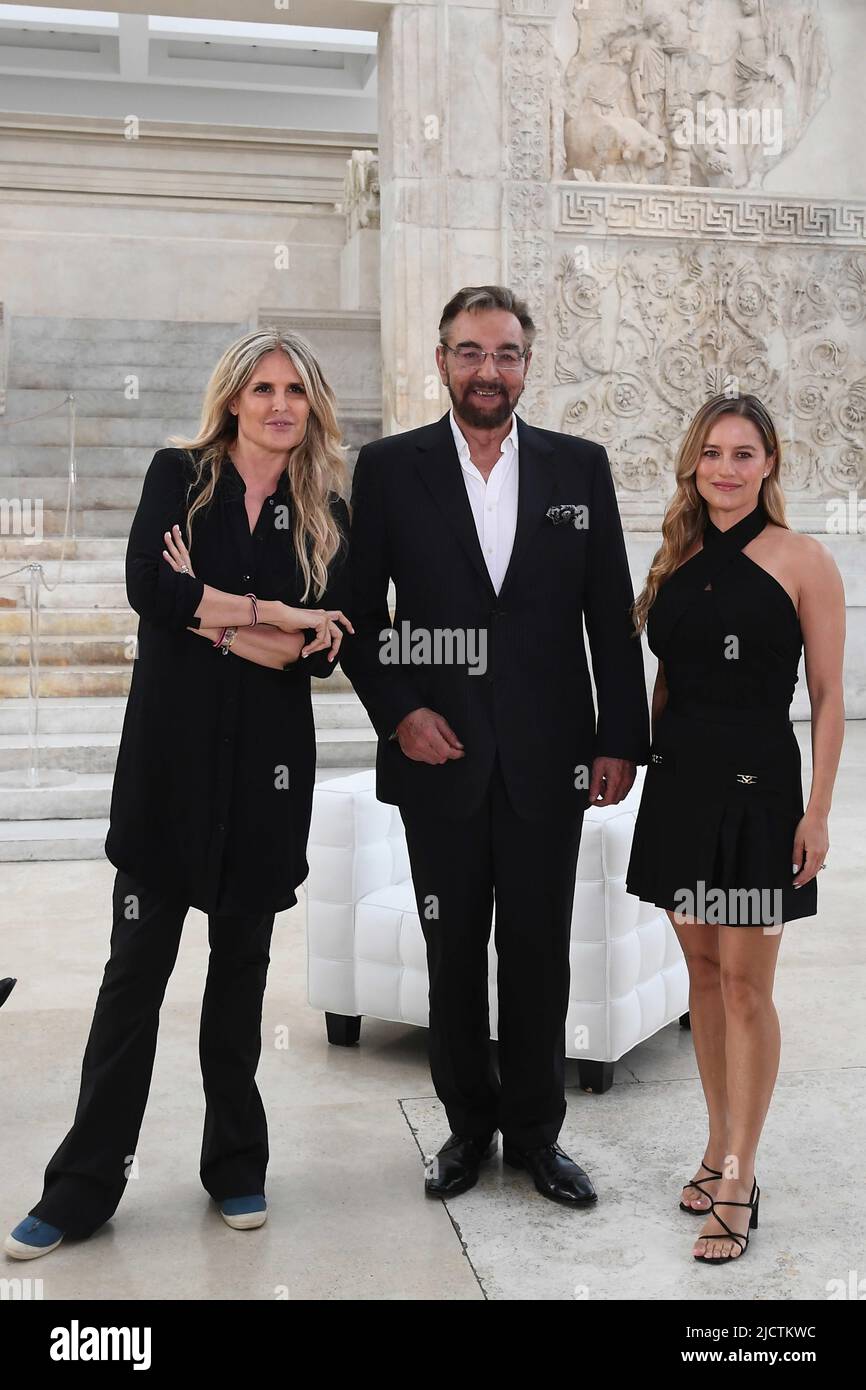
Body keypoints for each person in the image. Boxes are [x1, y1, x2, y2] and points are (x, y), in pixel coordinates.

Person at [5, 329, 352, 1260]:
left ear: (312, 406)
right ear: (233, 398)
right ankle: (83, 1184)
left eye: (295, 390)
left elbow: (317, 650)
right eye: (262, 388)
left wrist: (213, 609)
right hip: (169, 772)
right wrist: (270, 614)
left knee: (239, 984)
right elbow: (145, 590)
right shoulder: (179, 476)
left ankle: (235, 1163)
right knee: (132, 983)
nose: (279, 405)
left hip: (267, 779)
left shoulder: (324, 509)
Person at [341, 285, 650, 1207]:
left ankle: (538, 1137)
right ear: (441, 361)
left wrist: (620, 739)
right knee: (452, 954)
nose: (489, 369)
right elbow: (360, 615)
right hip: (437, 760)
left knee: (538, 952)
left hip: (550, 759)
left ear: (527, 364)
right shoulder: (387, 469)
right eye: (471, 352)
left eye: (506, 353)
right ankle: (467, 1130)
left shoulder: (578, 468)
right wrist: (400, 712)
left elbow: (610, 615)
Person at [626, 393, 845, 1262]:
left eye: (743, 453)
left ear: (769, 463)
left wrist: (817, 811)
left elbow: (828, 696)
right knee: (706, 977)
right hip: (680, 792)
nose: (726, 468)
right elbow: (667, 682)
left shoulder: (803, 558)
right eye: (712, 453)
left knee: (748, 987)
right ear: (694, 463)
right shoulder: (674, 557)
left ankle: (742, 1176)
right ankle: (718, 1146)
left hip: (759, 797)